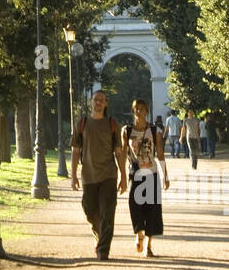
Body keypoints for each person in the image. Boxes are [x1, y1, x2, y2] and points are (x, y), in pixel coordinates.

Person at [70, 90, 126, 260]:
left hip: (109, 175)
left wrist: (123, 176)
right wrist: (73, 175)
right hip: (88, 175)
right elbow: (75, 150)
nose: (98, 103)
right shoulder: (82, 123)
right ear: (91, 102)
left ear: (106, 103)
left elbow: (118, 152)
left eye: (101, 100)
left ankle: (103, 250)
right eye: (95, 100)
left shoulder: (112, 124)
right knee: (89, 210)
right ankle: (99, 236)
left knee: (107, 213)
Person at [122, 98, 167, 257]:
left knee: (152, 210)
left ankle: (148, 246)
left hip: (152, 174)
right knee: (135, 206)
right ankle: (139, 233)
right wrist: (121, 176)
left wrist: (165, 176)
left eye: (141, 108)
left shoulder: (155, 131)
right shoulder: (126, 131)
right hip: (135, 175)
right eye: (136, 109)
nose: (139, 111)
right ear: (133, 111)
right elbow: (122, 155)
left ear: (147, 111)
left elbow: (160, 155)